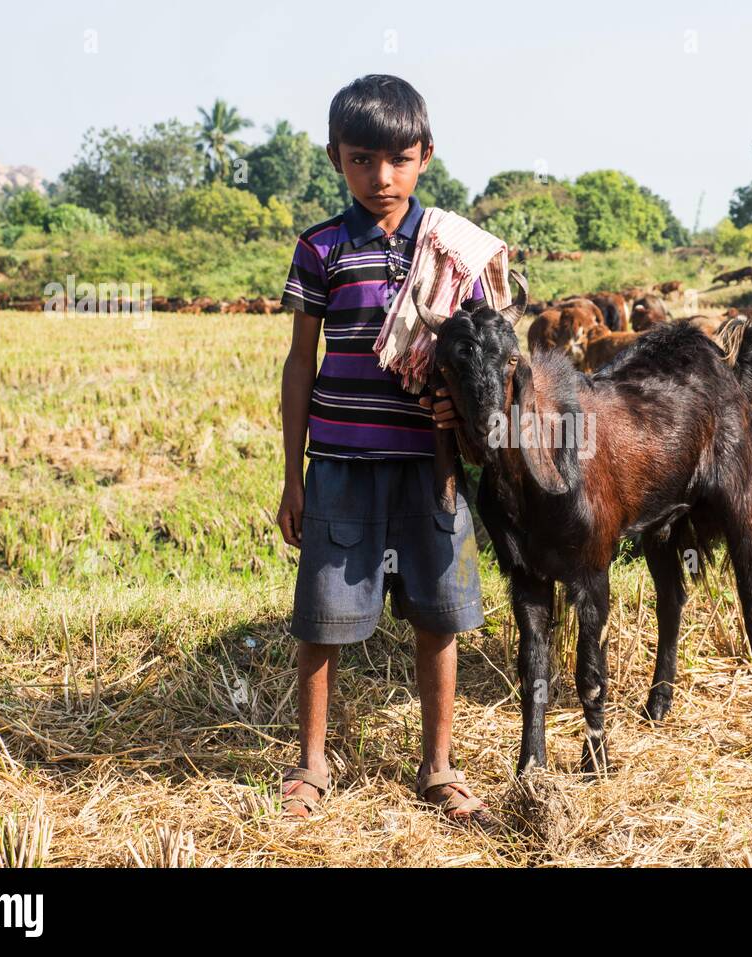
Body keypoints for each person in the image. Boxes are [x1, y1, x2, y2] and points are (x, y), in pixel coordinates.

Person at [275, 74, 494, 825]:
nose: (381, 177)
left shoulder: (455, 251)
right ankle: (311, 762)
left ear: (425, 156)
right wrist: (292, 475)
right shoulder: (321, 248)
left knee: (439, 613)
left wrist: (457, 407)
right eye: (361, 159)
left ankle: (438, 766)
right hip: (338, 464)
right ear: (336, 158)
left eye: (397, 159)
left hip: (431, 469)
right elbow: (301, 361)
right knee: (322, 616)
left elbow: (485, 360)